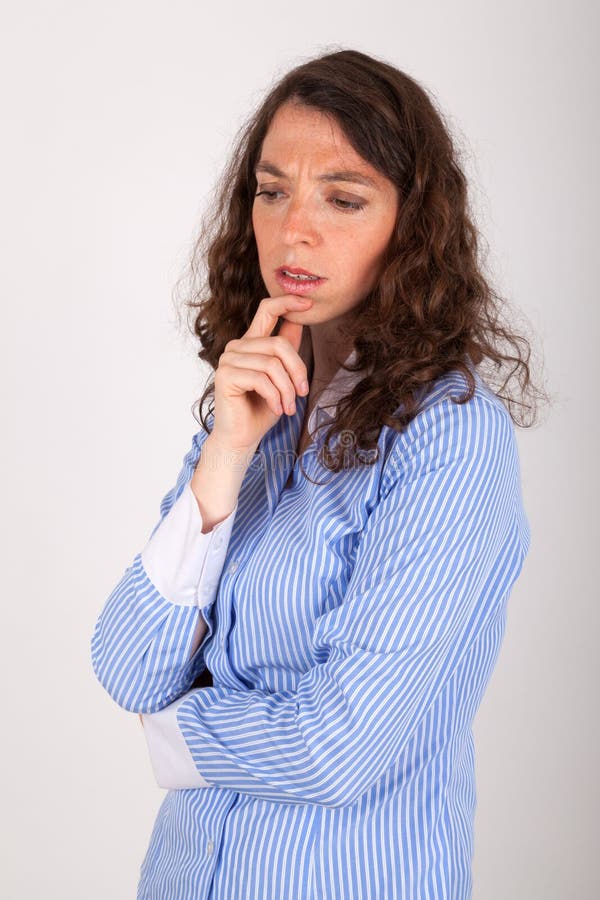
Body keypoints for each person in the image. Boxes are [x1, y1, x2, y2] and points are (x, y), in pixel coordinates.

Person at [91, 48, 541, 900]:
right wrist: (224, 453)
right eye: (271, 190)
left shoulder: (450, 436)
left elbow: (340, 747)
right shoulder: (257, 402)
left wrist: (176, 735)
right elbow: (127, 665)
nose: (295, 228)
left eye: (344, 197)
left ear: (413, 226)